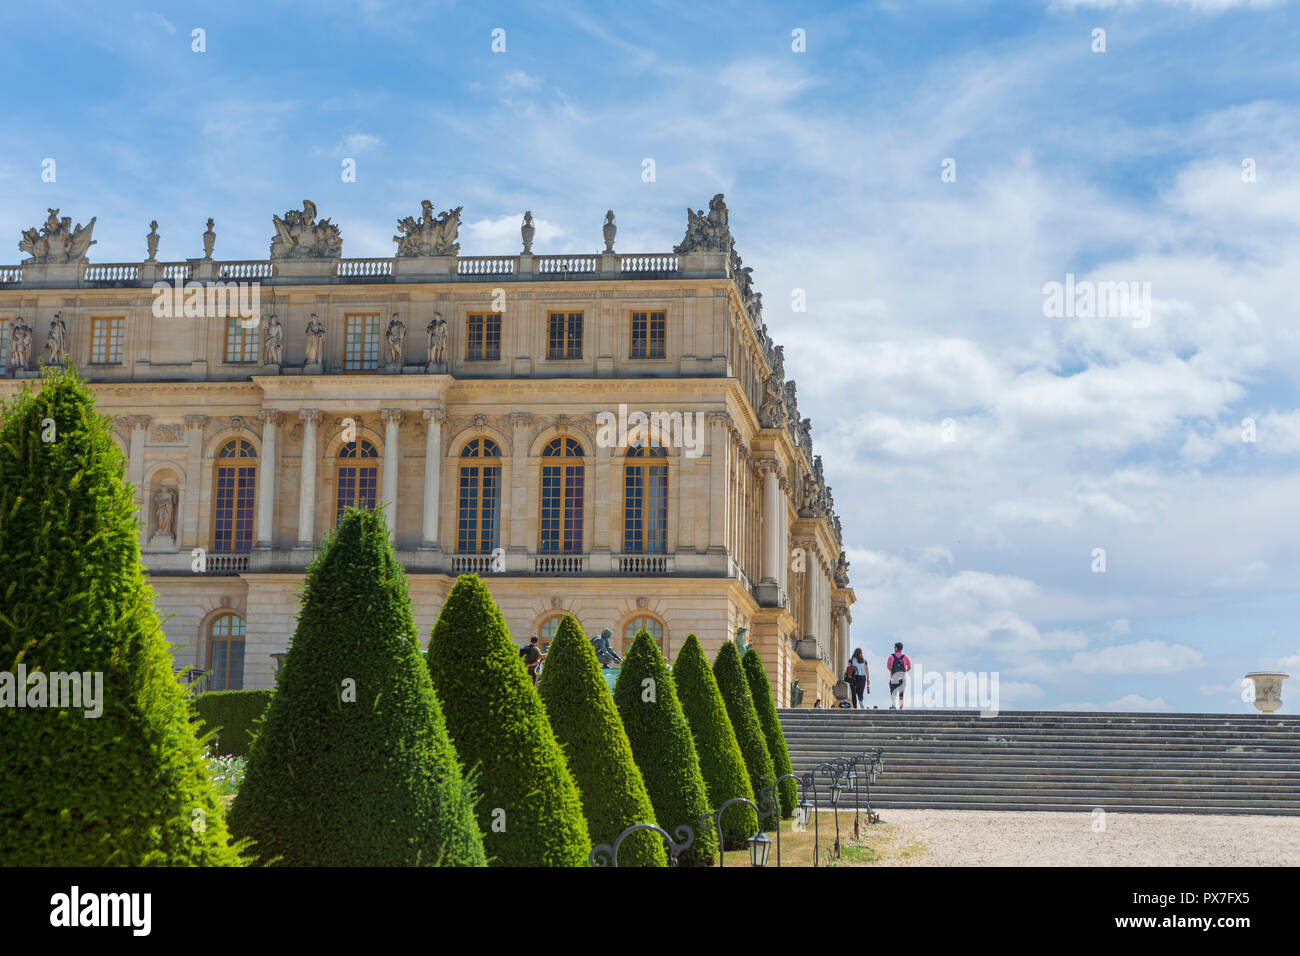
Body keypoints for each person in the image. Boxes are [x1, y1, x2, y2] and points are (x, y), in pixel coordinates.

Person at [886, 642, 911, 709]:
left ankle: (893, 705)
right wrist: (905, 672)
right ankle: (901, 707)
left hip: (893, 678)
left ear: (897, 648)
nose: (894, 648)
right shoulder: (905, 657)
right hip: (902, 678)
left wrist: (892, 671)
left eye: (894, 647)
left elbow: (888, 666)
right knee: (901, 694)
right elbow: (909, 667)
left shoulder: (891, 656)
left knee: (893, 693)